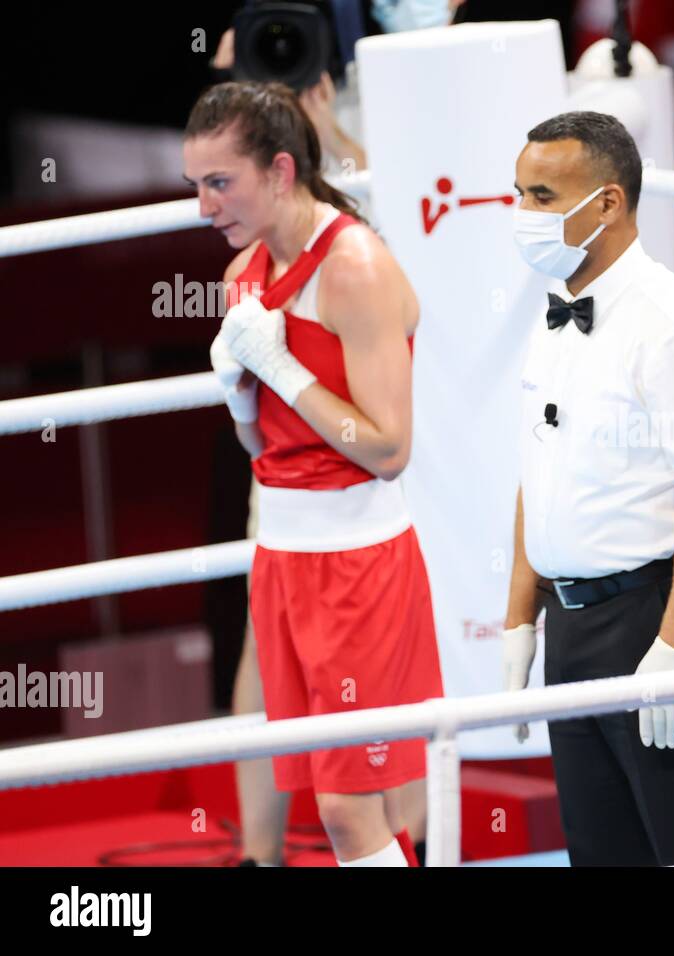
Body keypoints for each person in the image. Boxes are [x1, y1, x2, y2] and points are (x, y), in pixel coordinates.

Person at [185, 80, 443, 867]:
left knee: (348, 812)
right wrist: (238, 396)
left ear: (281, 172)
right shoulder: (243, 276)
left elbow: (390, 449)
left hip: (360, 563)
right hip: (283, 563)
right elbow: (268, 452)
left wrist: (283, 368)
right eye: (195, 185)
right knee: (350, 805)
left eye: (219, 182)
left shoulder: (356, 268)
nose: (203, 206)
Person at [500, 111, 674, 866]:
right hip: (570, 625)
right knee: (603, 854)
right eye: (518, 193)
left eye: (542, 196)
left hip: (653, 616)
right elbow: (537, 470)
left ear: (607, 203)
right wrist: (520, 623)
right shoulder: (550, 316)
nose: (524, 215)